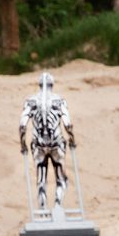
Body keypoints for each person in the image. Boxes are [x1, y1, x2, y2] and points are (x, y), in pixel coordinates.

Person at [19, 72, 76, 210]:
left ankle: (43, 209)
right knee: (61, 178)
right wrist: (72, 140)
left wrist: (23, 145)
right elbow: (67, 124)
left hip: (38, 145)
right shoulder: (59, 100)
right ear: (52, 85)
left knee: (41, 179)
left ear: (39, 85)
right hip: (57, 144)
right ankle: (57, 205)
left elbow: (22, 125)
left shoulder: (30, 101)